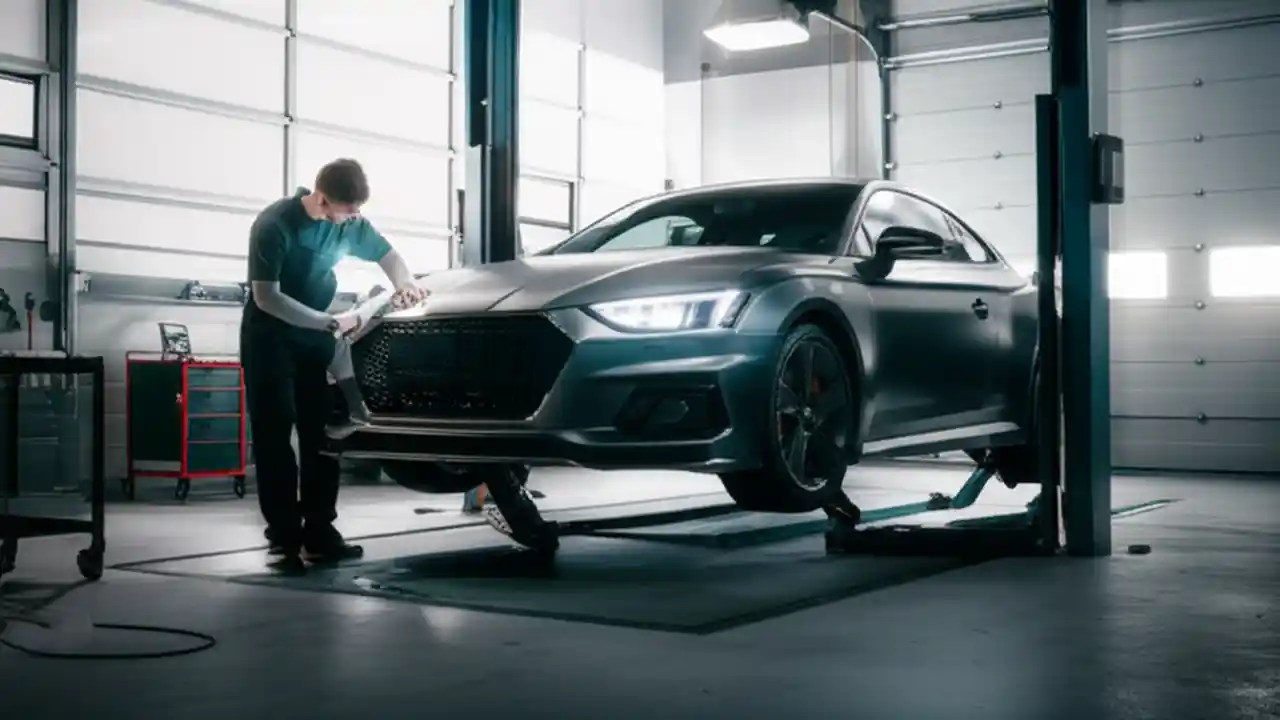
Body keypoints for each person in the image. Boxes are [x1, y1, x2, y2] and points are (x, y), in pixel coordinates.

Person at [240, 158, 427, 567]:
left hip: (315, 335)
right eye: (348, 211)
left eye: (358, 211)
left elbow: (388, 255)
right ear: (322, 199)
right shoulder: (274, 225)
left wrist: (406, 282)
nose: (354, 219)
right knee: (274, 436)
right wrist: (327, 321)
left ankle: (320, 532)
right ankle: (285, 538)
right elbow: (266, 297)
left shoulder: (351, 222)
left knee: (323, 433)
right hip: (269, 336)